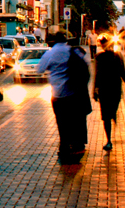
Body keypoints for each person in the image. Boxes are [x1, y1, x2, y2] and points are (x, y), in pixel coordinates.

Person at [38, 31, 91, 162]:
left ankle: (64, 144)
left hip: (57, 94)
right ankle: (75, 144)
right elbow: (85, 64)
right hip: (73, 93)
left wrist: (54, 69)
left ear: (54, 41)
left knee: (61, 121)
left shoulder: (50, 53)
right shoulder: (72, 51)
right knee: (73, 119)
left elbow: (40, 69)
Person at [93, 37, 125, 151]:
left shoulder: (104, 57)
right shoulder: (115, 56)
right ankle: (109, 139)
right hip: (112, 88)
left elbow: (97, 73)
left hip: (107, 88)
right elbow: (121, 71)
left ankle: (109, 137)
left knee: (108, 114)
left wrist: (95, 89)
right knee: (108, 115)